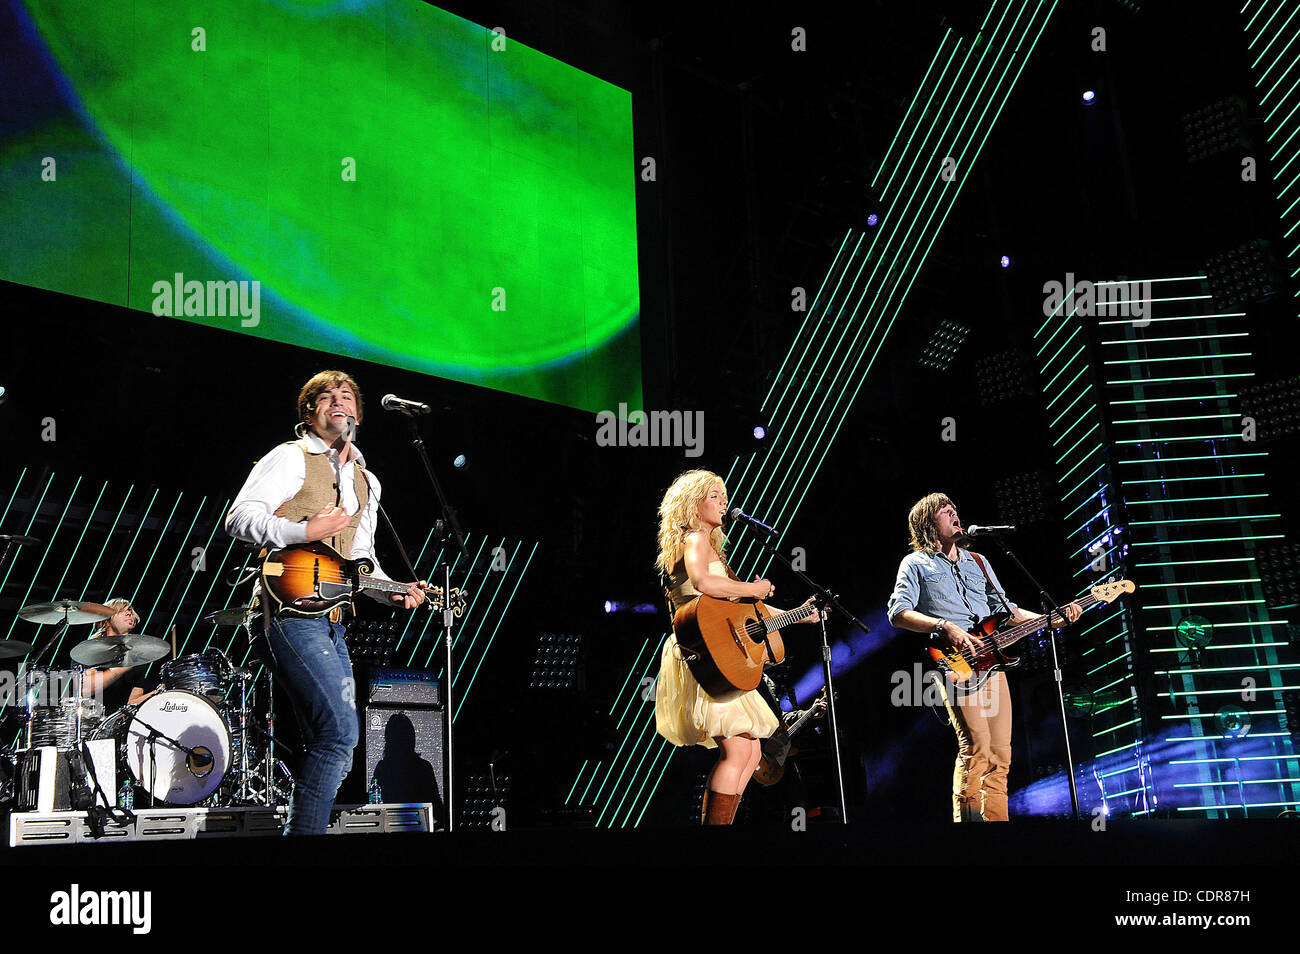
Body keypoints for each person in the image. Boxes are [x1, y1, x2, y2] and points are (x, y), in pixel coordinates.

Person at [224, 370, 427, 834]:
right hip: (288, 613)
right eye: (327, 396)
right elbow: (239, 517)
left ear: (357, 413)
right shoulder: (290, 457)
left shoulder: (367, 481)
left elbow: (362, 561)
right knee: (340, 733)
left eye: (347, 396)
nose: (339, 401)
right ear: (310, 411)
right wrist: (302, 531)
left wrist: (392, 590)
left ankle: (302, 829)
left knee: (330, 739)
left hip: (333, 618)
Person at [886, 493, 1080, 822]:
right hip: (957, 663)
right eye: (946, 512)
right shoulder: (915, 564)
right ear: (928, 523)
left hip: (993, 663)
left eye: (955, 509)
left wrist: (1052, 619)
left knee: (1001, 755)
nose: (955, 514)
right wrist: (944, 625)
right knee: (976, 750)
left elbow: (1008, 611)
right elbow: (898, 613)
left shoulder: (978, 561)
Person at [653, 469, 819, 825]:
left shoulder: (709, 544)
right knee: (738, 748)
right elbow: (703, 582)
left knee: (752, 748)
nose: (724, 503)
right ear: (693, 503)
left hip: (720, 651)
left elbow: (743, 609)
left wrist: (800, 615)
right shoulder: (694, 536)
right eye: (714, 496)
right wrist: (753, 589)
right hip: (705, 652)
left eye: (724, 496)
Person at [79, 598, 154, 712]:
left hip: (116, 723)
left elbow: (132, 703)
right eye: (121, 610)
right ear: (107, 620)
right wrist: (122, 667)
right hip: (89, 718)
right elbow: (85, 689)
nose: (129, 613)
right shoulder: (89, 651)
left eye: (130, 610)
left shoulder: (137, 657)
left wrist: (161, 691)